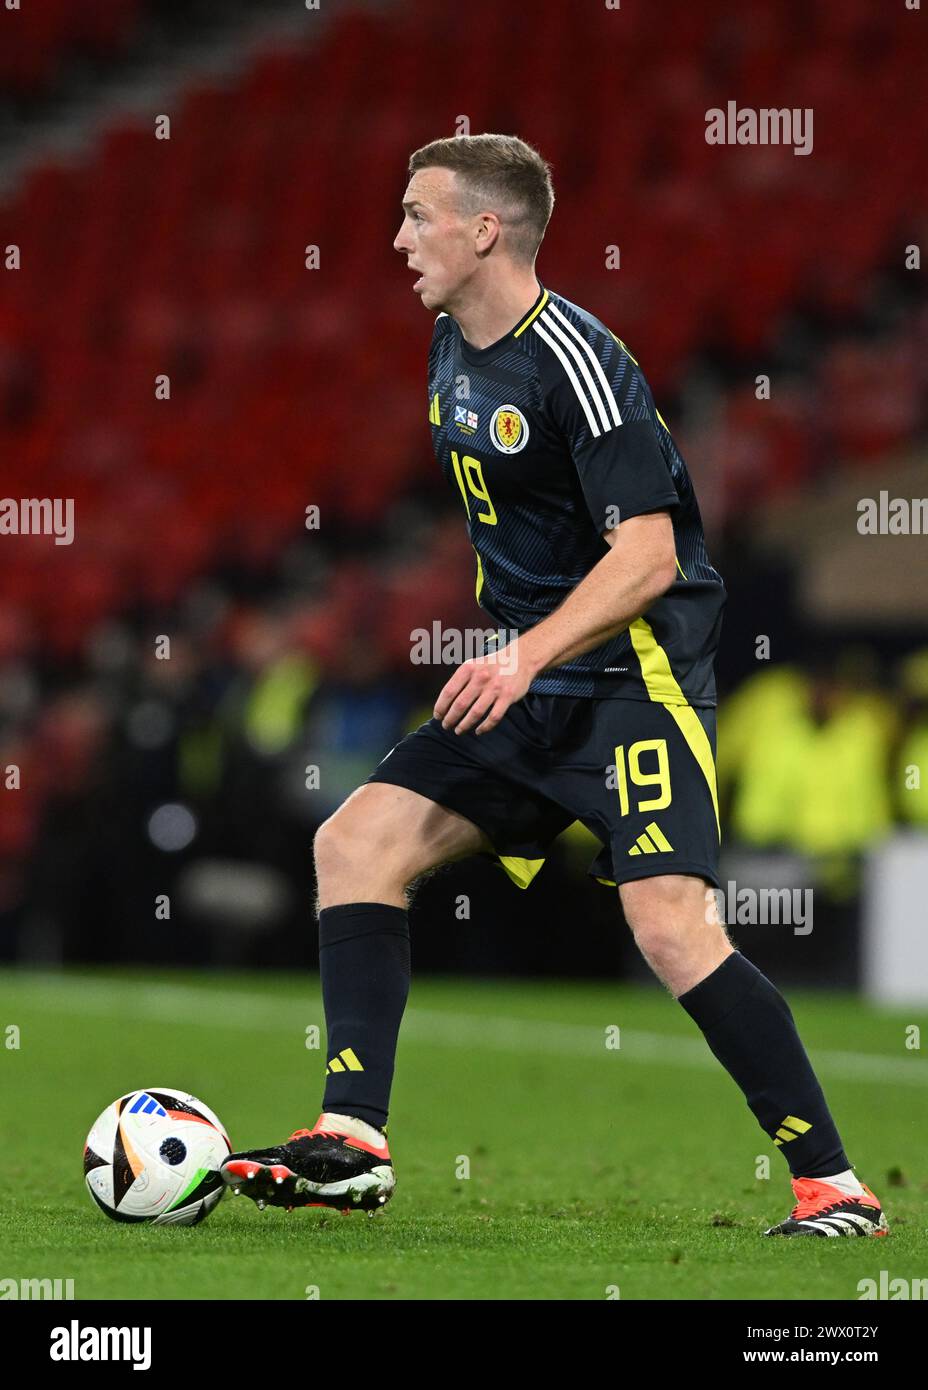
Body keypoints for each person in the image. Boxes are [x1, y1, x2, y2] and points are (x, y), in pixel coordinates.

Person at [222, 134, 886, 1238]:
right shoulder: (448, 347)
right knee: (356, 843)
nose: (396, 239)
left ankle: (835, 1187)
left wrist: (524, 653)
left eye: (417, 215)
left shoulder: (580, 363)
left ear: (485, 229)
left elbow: (650, 558)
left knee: (671, 929)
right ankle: (352, 1140)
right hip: (532, 680)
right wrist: (521, 653)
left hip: (632, 680)